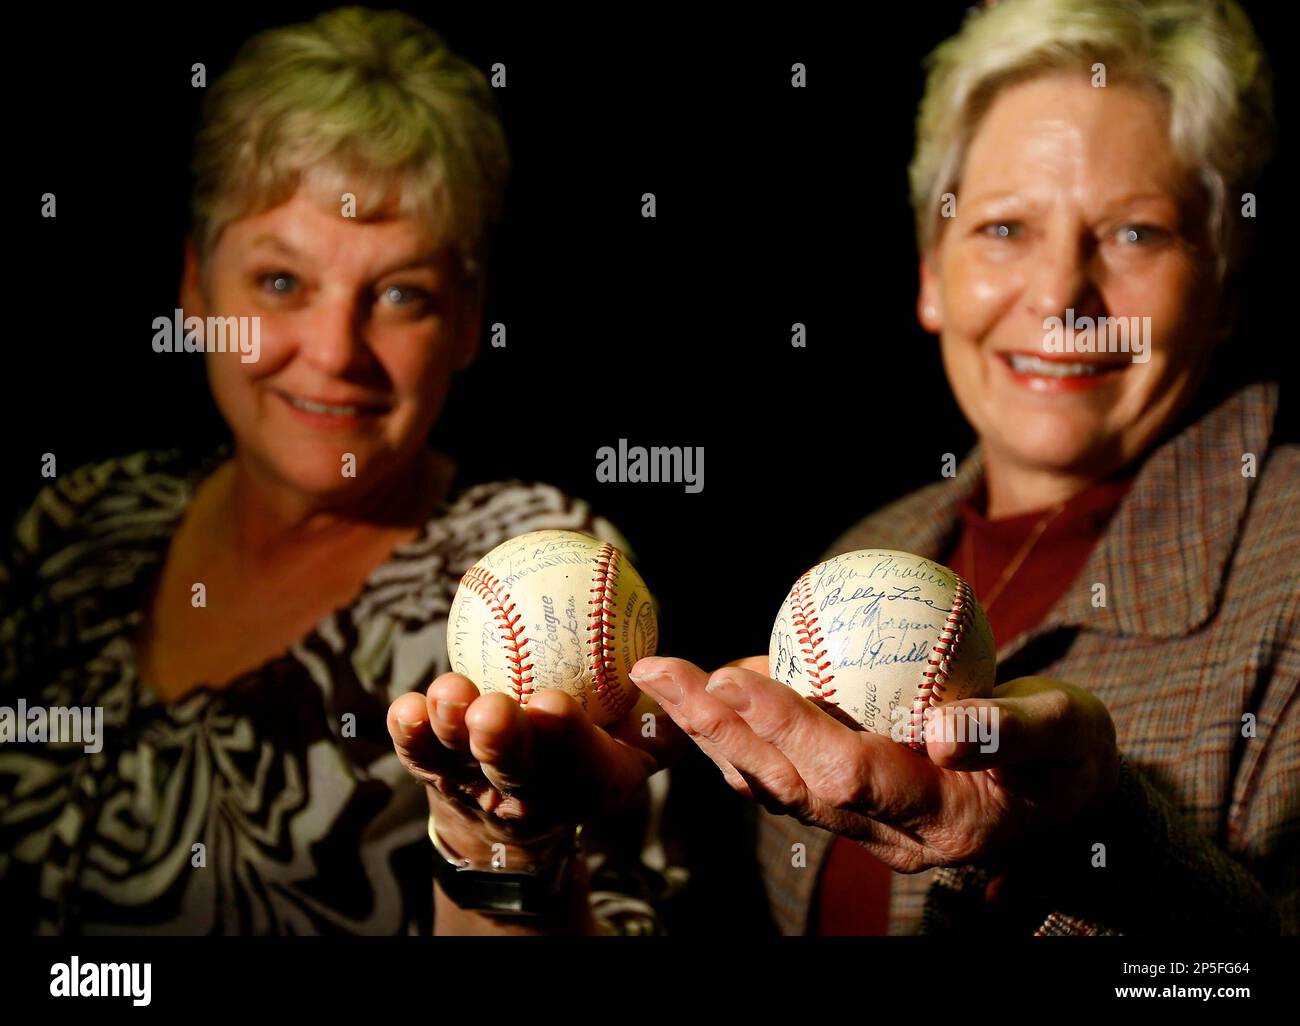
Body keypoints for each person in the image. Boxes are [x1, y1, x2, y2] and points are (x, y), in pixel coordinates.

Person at [624, 0, 1297, 936]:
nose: (1062, 296)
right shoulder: (873, 549)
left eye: (1136, 232)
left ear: (1222, 284)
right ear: (933, 274)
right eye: (1005, 229)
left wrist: (1095, 849)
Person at [0, 6, 665, 936]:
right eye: (281, 282)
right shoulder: (83, 521)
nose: (334, 352)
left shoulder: (542, 570)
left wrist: (501, 852)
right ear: (195, 288)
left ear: (469, 322)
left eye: (400, 294)